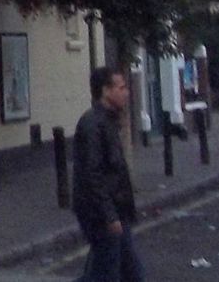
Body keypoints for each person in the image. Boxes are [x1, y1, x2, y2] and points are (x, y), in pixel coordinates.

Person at [72, 66, 143, 282]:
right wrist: (109, 215)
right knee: (107, 273)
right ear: (105, 91)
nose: (126, 92)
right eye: (121, 87)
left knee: (128, 271)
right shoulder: (93, 124)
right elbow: (92, 175)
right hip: (100, 213)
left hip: (114, 209)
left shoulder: (108, 121)